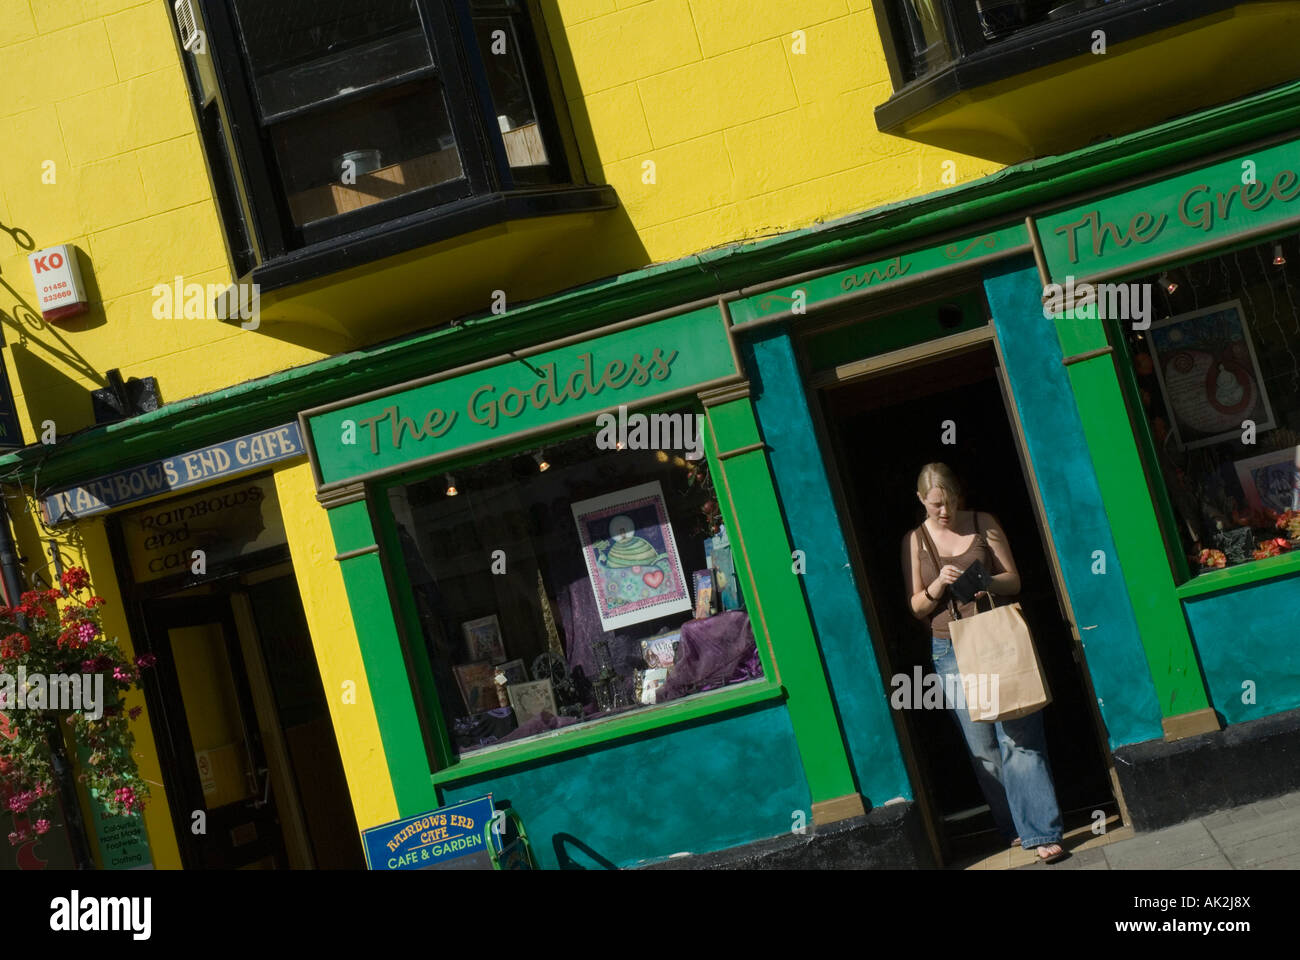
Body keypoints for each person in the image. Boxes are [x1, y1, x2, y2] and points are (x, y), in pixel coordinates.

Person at [901, 462, 1066, 864]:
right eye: (936, 504)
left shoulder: (982, 522)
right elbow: (916, 606)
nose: (945, 511)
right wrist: (939, 584)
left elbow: (1014, 579)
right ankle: (1015, 827)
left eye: (950, 502)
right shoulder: (915, 540)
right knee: (984, 747)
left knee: (1019, 736)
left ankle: (1041, 831)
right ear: (921, 500)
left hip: (996, 640)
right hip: (950, 651)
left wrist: (986, 581)